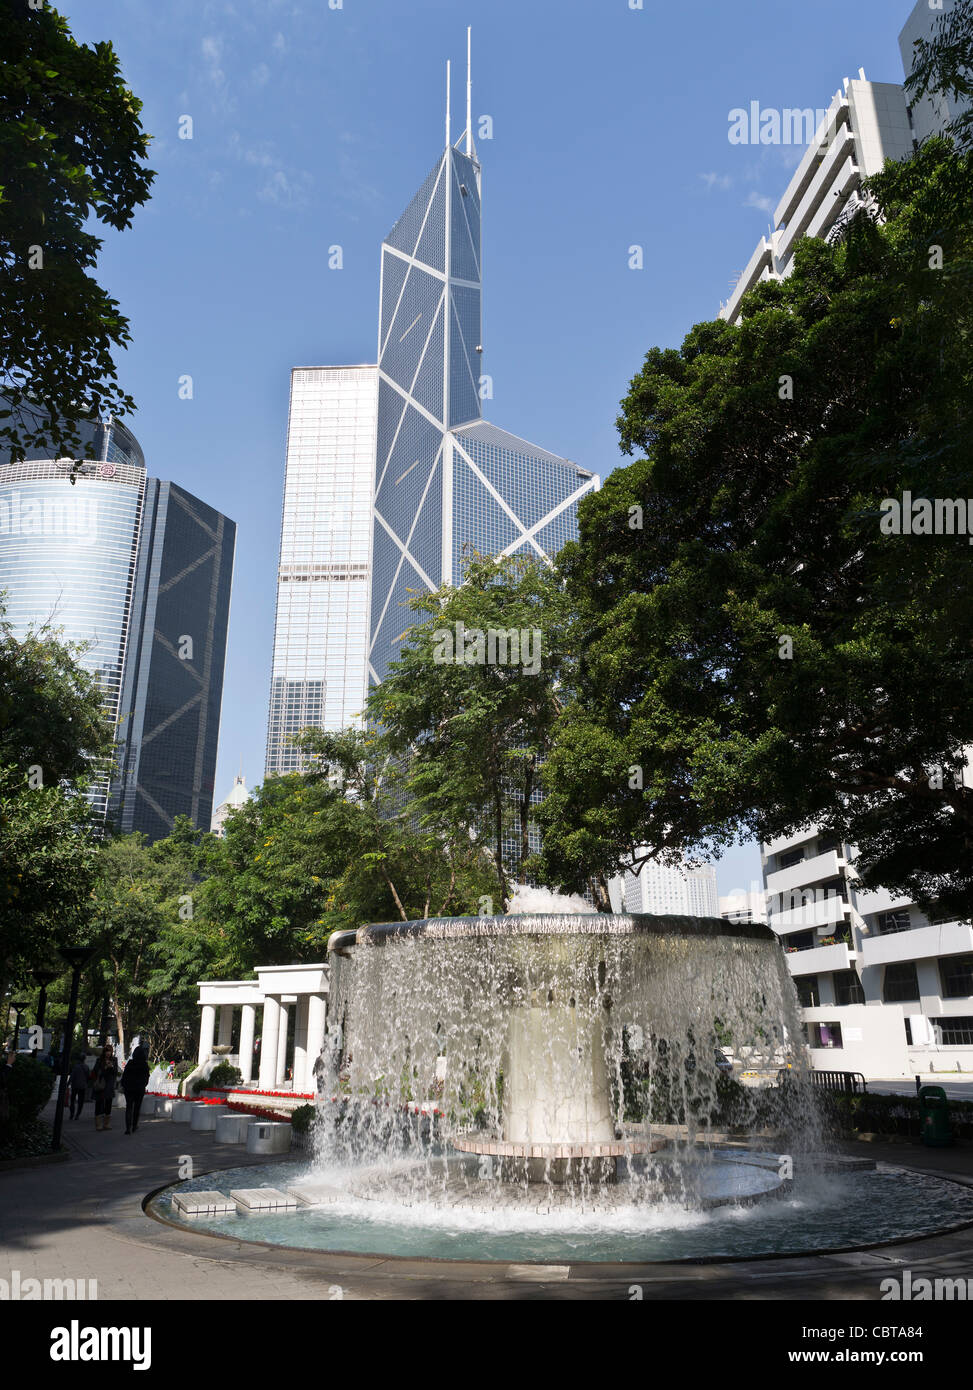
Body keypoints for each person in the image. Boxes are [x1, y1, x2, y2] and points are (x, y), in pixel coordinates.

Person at [121, 1046, 150, 1134]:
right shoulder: (144, 1065)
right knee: (137, 1107)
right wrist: (143, 1085)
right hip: (139, 1089)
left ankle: (127, 1128)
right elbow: (146, 1078)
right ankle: (134, 1126)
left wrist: (124, 1086)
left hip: (129, 1089)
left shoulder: (130, 1063)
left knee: (129, 1107)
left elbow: (124, 1076)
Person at [90, 1044, 119, 1130]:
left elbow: (115, 1072)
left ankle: (106, 1124)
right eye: (107, 1051)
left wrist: (112, 1066)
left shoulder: (114, 1060)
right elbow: (95, 1071)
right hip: (101, 1085)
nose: (108, 1053)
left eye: (109, 1051)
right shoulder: (99, 1060)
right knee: (98, 1103)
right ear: (104, 1052)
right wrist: (105, 1067)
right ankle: (98, 1124)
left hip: (109, 1085)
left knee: (108, 1104)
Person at [69, 1055, 90, 1120]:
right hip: (83, 1086)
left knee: (72, 1101)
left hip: (75, 1086)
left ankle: (72, 1114)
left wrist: (68, 1083)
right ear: (84, 1059)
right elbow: (88, 1077)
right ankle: (77, 1115)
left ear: (78, 1060)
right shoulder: (86, 1067)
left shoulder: (75, 1067)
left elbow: (72, 1076)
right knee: (81, 1101)